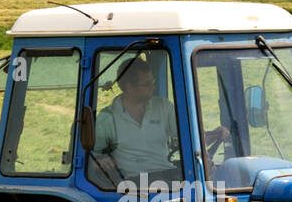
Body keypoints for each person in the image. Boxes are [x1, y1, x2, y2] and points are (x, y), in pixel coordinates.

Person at [94, 56, 228, 181]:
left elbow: (188, 140)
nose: (153, 87)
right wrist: (100, 161)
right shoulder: (108, 118)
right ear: (129, 87)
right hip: (131, 183)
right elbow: (94, 156)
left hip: (166, 176)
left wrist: (213, 135)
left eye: (152, 82)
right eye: (146, 84)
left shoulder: (163, 107)